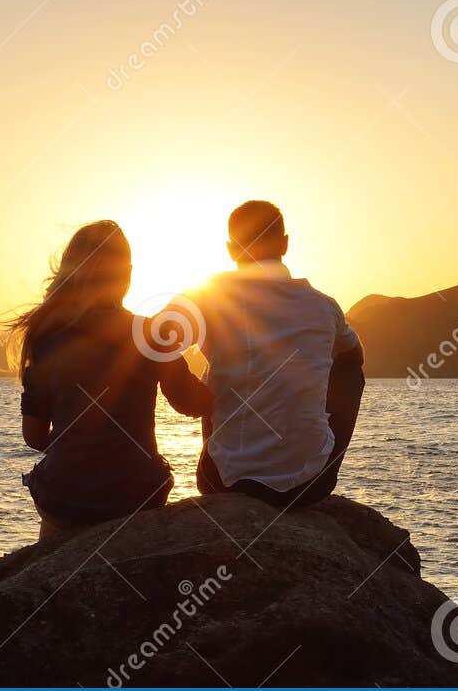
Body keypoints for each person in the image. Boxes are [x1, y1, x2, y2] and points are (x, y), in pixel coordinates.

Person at [150, 200, 365, 508]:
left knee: (215, 369)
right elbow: (354, 356)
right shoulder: (324, 305)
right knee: (349, 371)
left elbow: (156, 337)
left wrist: (186, 393)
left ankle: (237, 452)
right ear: (285, 244)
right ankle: (306, 450)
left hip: (224, 481)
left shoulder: (209, 296)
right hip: (310, 484)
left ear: (231, 249)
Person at [10, 220, 211, 539]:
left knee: (56, 532)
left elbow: (34, 437)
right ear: (128, 274)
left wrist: (79, 450)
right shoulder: (151, 334)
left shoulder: (46, 338)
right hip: (136, 496)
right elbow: (192, 403)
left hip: (65, 499)